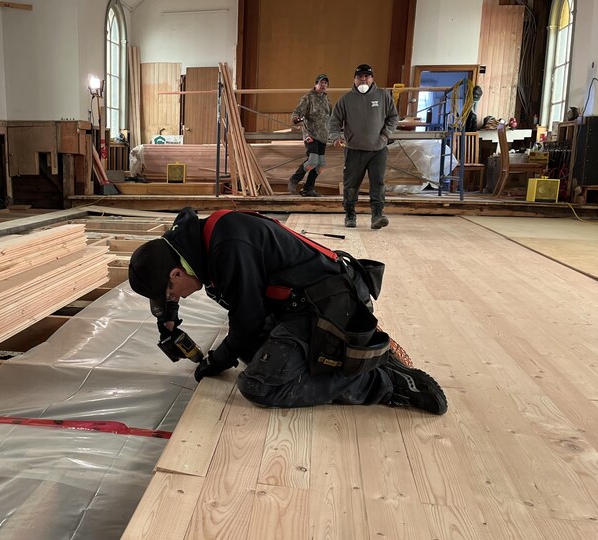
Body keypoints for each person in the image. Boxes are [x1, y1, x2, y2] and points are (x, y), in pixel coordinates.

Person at [127, 207, 447, 414]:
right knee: (253, 354)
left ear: (176, 274)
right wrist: (168, 319)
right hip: (302, 301)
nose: (176, 299)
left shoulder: (228, 247)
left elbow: (247, 321)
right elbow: (240, 315)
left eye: (172, 294)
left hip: (328, 307)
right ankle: (354, 360)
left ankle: (385, 382)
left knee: (260, 384)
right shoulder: (192, 242)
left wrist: (217, 360)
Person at [328, 64, 399, 229]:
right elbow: (334, 122)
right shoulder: (345, 100)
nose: (364, 79)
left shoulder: (383, 96)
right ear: (355, 79)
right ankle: (350, 214)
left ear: (372, 78)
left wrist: (385, 135)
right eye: (361, 77)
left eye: (367, 76)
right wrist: (335, 137)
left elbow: (393, 117)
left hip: (378, 150)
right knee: (351, 184)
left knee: (378, 182)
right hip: (354, 149)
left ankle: (377, 215)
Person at [288, 74, 332, 197]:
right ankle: (294, 180)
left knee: (321, 164)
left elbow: (331, 117)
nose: (323, 85)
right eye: (321, 83)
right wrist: (296, 118)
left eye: (326, 83)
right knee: (312, 161)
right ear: (316, 84)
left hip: (323, 136)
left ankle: (308, 188)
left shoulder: (327, 100)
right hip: (311, 134)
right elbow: (297, 112)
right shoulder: (308, 98)